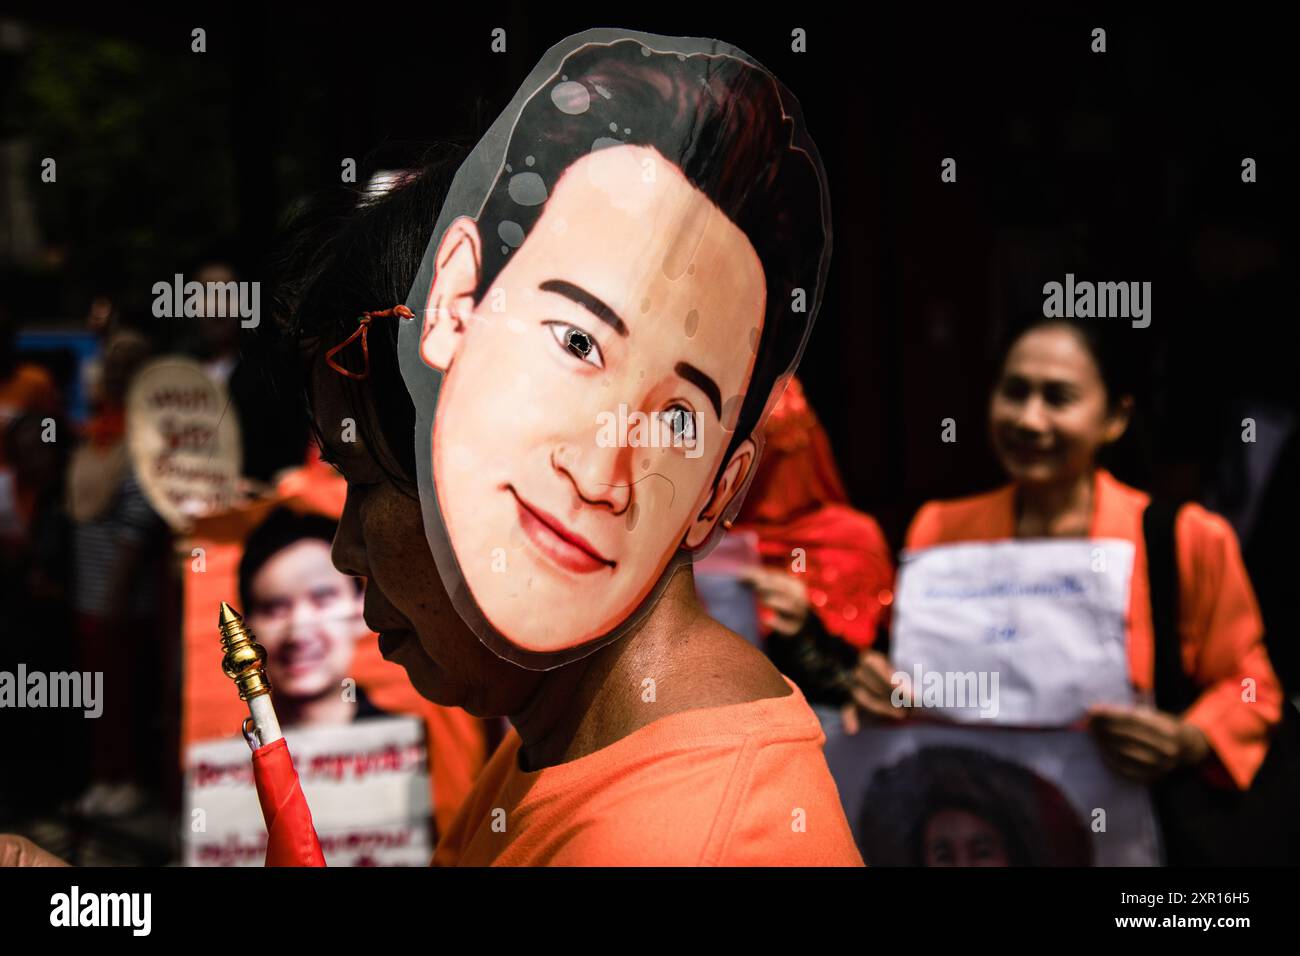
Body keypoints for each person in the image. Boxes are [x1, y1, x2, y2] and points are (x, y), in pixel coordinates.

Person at [276, 34, 861, 866]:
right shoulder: (566, 739)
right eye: (577, 344)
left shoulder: (680, 838)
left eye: (679, 421)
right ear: (453, 304)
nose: (598, 476)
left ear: (718, 491)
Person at [846, 316, 1283, 799]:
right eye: (1014, 392)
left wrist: (1190, 739)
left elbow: (1252, 686)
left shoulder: (1184, 538)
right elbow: (908, 675)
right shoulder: (940, 529)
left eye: (1058, 398)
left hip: (1123, 821)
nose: (1028, 420)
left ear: (1115, 418)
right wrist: (879, 683)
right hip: (969, 812)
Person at [238, 507, 388, 728]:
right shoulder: (237, 750)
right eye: (275, 609)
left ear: (361, 611)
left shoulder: (404, 741)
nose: (298, 633)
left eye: (322, 600)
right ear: (245, 629)